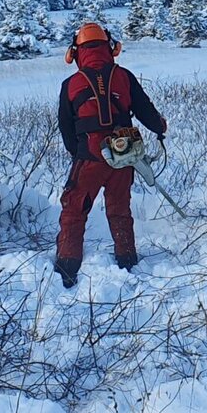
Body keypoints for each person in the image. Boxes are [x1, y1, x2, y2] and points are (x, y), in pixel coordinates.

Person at [55, 21, 168, 287]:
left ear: (76, 52)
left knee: (74, 209)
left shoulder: (70, 84)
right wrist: (160, 127)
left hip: (89, 156)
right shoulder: (124, 76)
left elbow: (66, 127)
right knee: (120, 208)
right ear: (110, 48)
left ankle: (67, 267)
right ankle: (127, 259)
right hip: (124, 152)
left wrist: (80, 153)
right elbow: (146, 111)